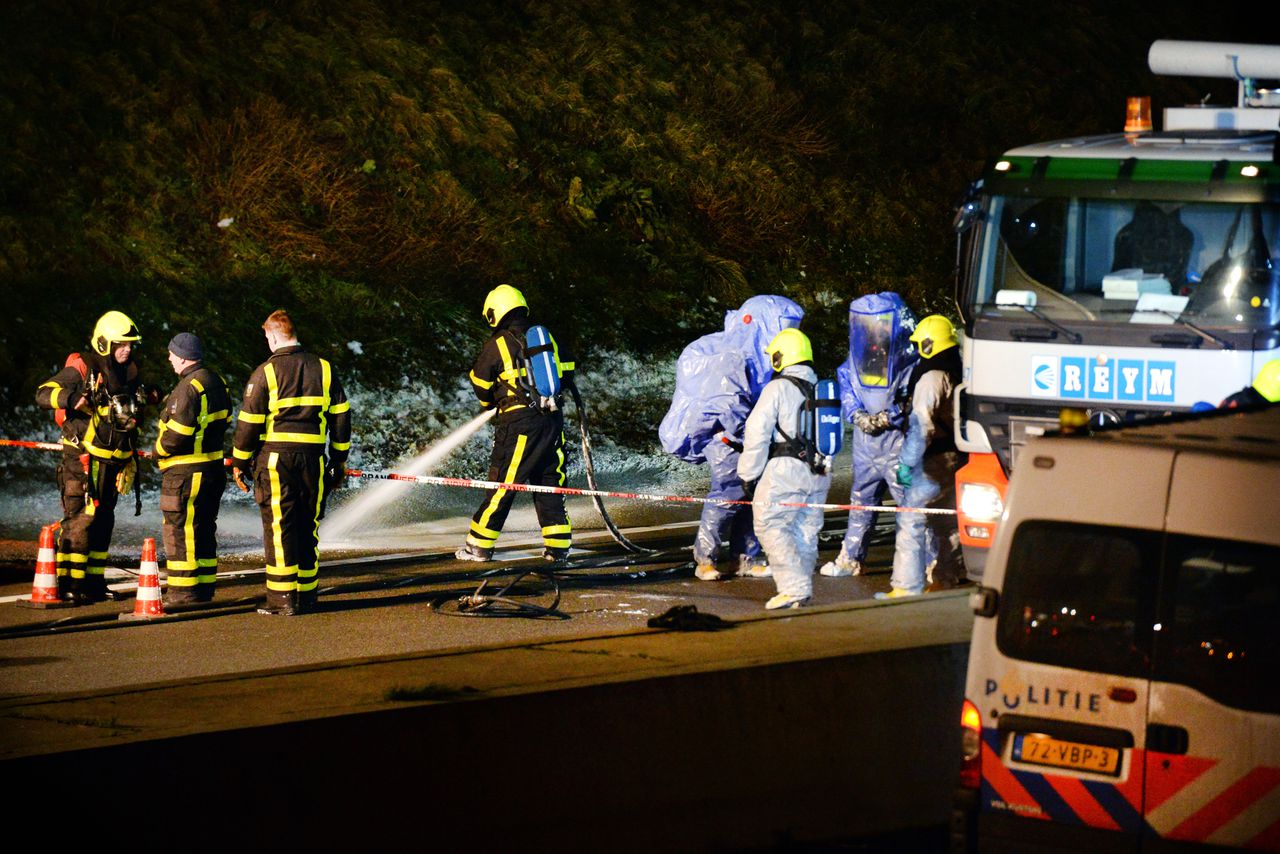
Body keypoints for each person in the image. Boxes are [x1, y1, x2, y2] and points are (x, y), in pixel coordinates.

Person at [658, 295, 804, 581]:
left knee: (753, 496)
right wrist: (749, 433)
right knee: (727, 495)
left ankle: (745, 558)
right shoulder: (730, 356)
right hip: (727, 441)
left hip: (751, 438)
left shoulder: (762, 357)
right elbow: (729, 404)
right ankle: (705, 559)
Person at [232, 310, 351, 616]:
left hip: (276, 460)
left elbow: (249, 423)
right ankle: (308, 597)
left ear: (273, 336)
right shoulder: (324, 368)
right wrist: (339, 460)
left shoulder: (266, 372)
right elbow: (341, 416)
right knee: (307, 526)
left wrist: (239, 461)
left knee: (279, 526)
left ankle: (282, 600)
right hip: (314, 460)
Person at [35, 310, 156, 604]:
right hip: (82, 461)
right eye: (121, 344)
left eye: (130, 345)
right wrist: (69, 398)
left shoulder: (129, 372)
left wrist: (152, 394)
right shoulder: (83, 367)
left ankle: (93, 582)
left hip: (114, 462)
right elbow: (42, 393)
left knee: (104, 520)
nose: (127, 350)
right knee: (80, 519)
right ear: (105, 343)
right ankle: (69, 584)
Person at [455, 284, 575, 563]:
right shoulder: (545, 338)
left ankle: (478, 546)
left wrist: (491, 404)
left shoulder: (497, 344)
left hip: (519, 424)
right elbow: (567, 371)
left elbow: (480, 381)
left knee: (504, 482)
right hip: (552, 421)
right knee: (550, 481)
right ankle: (558, 547)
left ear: (495, 314)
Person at [820, 292, 923, 578]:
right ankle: (850, 558)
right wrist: (857, 415)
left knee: (911, 504)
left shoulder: (906, 358)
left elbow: (913, 396)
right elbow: (847, 385)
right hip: (868, 446)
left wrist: (889, 416)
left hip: (898, 445)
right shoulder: (858, 358)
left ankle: (928, 561)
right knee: (861, 502)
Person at [738, 328, 832, 610]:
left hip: (785, 469)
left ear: (782, 357)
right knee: (805, 529)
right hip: (820, 470)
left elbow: (757, 431)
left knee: (770, 524)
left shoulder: (777, 388)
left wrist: (748, 473)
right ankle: (801, 587)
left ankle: (794, 589)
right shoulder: (821, 388)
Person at [880, 315, 965, 598]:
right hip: (955, 455)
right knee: (946, 523)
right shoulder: (957, 369)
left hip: (933, 460)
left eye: (920, 344)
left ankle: (905, 585)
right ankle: (947, 576)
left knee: (911, 521)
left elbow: (921, 426)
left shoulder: (930, 377)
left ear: (930, 343)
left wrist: (906, 463)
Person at [154, 333, 231, 606]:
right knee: (204, 528)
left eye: (172, 354)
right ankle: (205, 587)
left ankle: (183, 592)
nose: (169, 358)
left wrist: (158, 451)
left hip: (185, 473)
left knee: (179, 530)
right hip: (212, 469)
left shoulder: (187, 388)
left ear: (184, 356)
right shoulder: (217, 382)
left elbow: (178, 434)